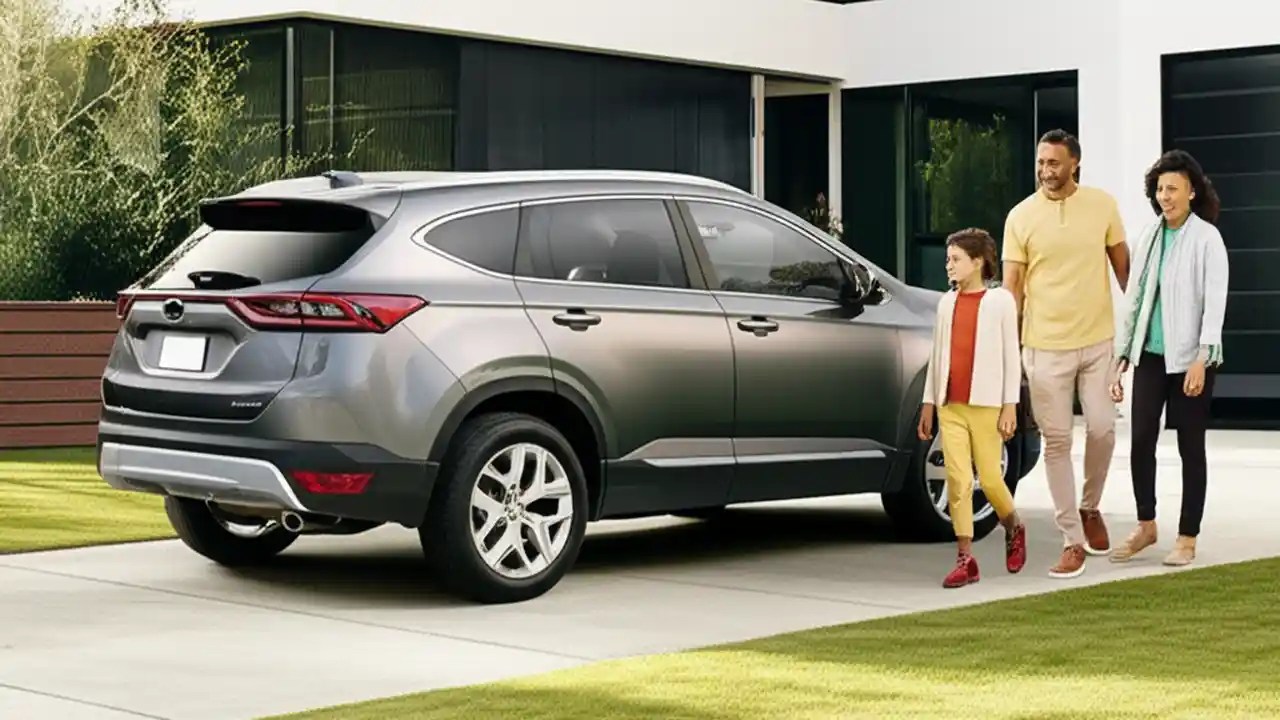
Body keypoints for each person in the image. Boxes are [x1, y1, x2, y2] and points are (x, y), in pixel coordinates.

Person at [1002, 129, 1131, 579]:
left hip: (1097, 342)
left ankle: (1090, 506)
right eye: (1041, 163)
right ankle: (1071, 538)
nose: (1045, 171)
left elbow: (1126, 274)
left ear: (1075, 163)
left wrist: (1137, 334)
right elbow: (1011, 289)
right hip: (1043, 348)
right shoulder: (1020, 217)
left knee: (1102, 428)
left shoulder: (1102, 206)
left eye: (1054, 163)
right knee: (1057, 443)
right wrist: (1008, 350)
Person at [1109, 150, 1228, 567]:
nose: (1165, 196)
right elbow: (1136, 300)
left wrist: (1202, 357)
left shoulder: (1207, 238)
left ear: (1192, 192)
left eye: (1173, 189)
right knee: (1141, 440)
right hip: (1151, 357)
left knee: (1190, 447)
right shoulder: (1150, 236)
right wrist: (1122, 356)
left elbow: (1215, 304)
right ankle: (1146, 524)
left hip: (1191, 360)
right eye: (1160, 189)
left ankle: (1187, 536)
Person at [919, 228, 1027, 589]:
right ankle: (965, 558)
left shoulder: (1000, 302)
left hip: (986, 405)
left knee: (991, 479)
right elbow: (937, 356)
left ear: (978, 261)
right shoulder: (945, 303)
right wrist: (928, 403)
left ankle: (1013, 526)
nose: (948, 266)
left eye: (955, 260)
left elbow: (1012, 356)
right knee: (958, 480)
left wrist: (1010, 405)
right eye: (948, 260)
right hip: (951, 404)